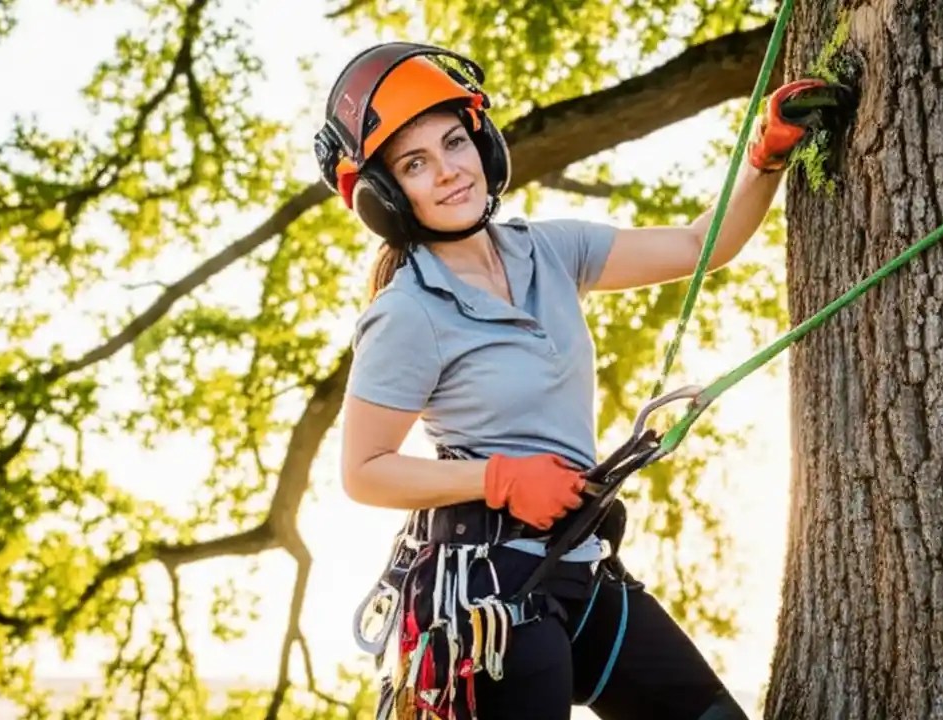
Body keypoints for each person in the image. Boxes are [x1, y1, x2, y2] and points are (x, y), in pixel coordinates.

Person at [314, 41, 841, 720]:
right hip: (488, 599)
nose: (448, 172)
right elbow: (364, 471)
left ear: (484, 144)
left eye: (454, 143)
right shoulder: (408, 313)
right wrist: (500, 478)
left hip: (581, 566)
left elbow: (698, 247)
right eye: (416, 164)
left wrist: (766, 156)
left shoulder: (549, 250)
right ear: (387, 197)